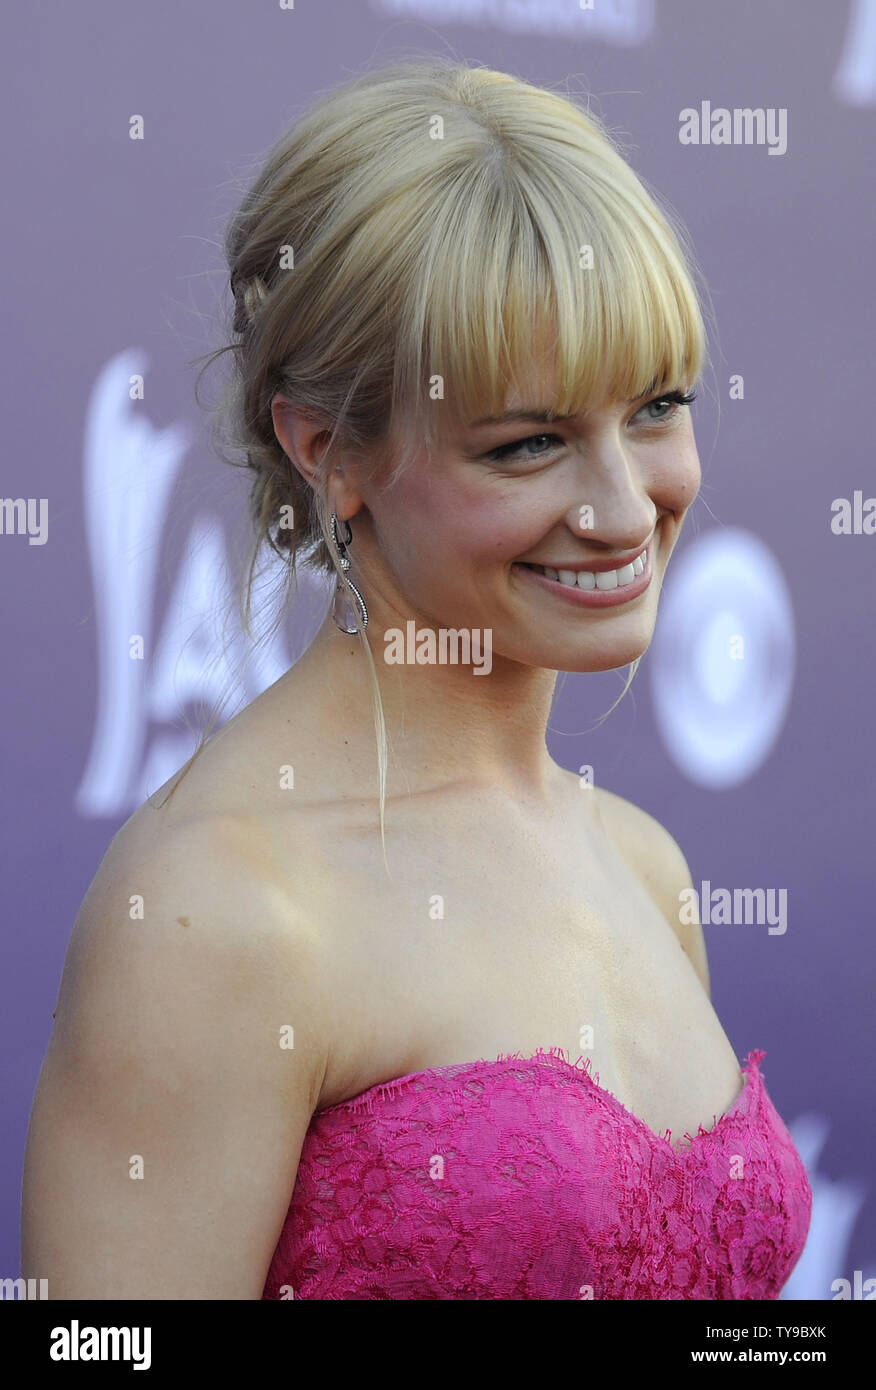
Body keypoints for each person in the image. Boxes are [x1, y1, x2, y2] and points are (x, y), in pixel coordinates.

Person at [21, 56, 811, 1300]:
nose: (622, 508)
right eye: (531, 442)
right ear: (328, 450)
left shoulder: (644, 865)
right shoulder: (218, 910)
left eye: (656, 407)